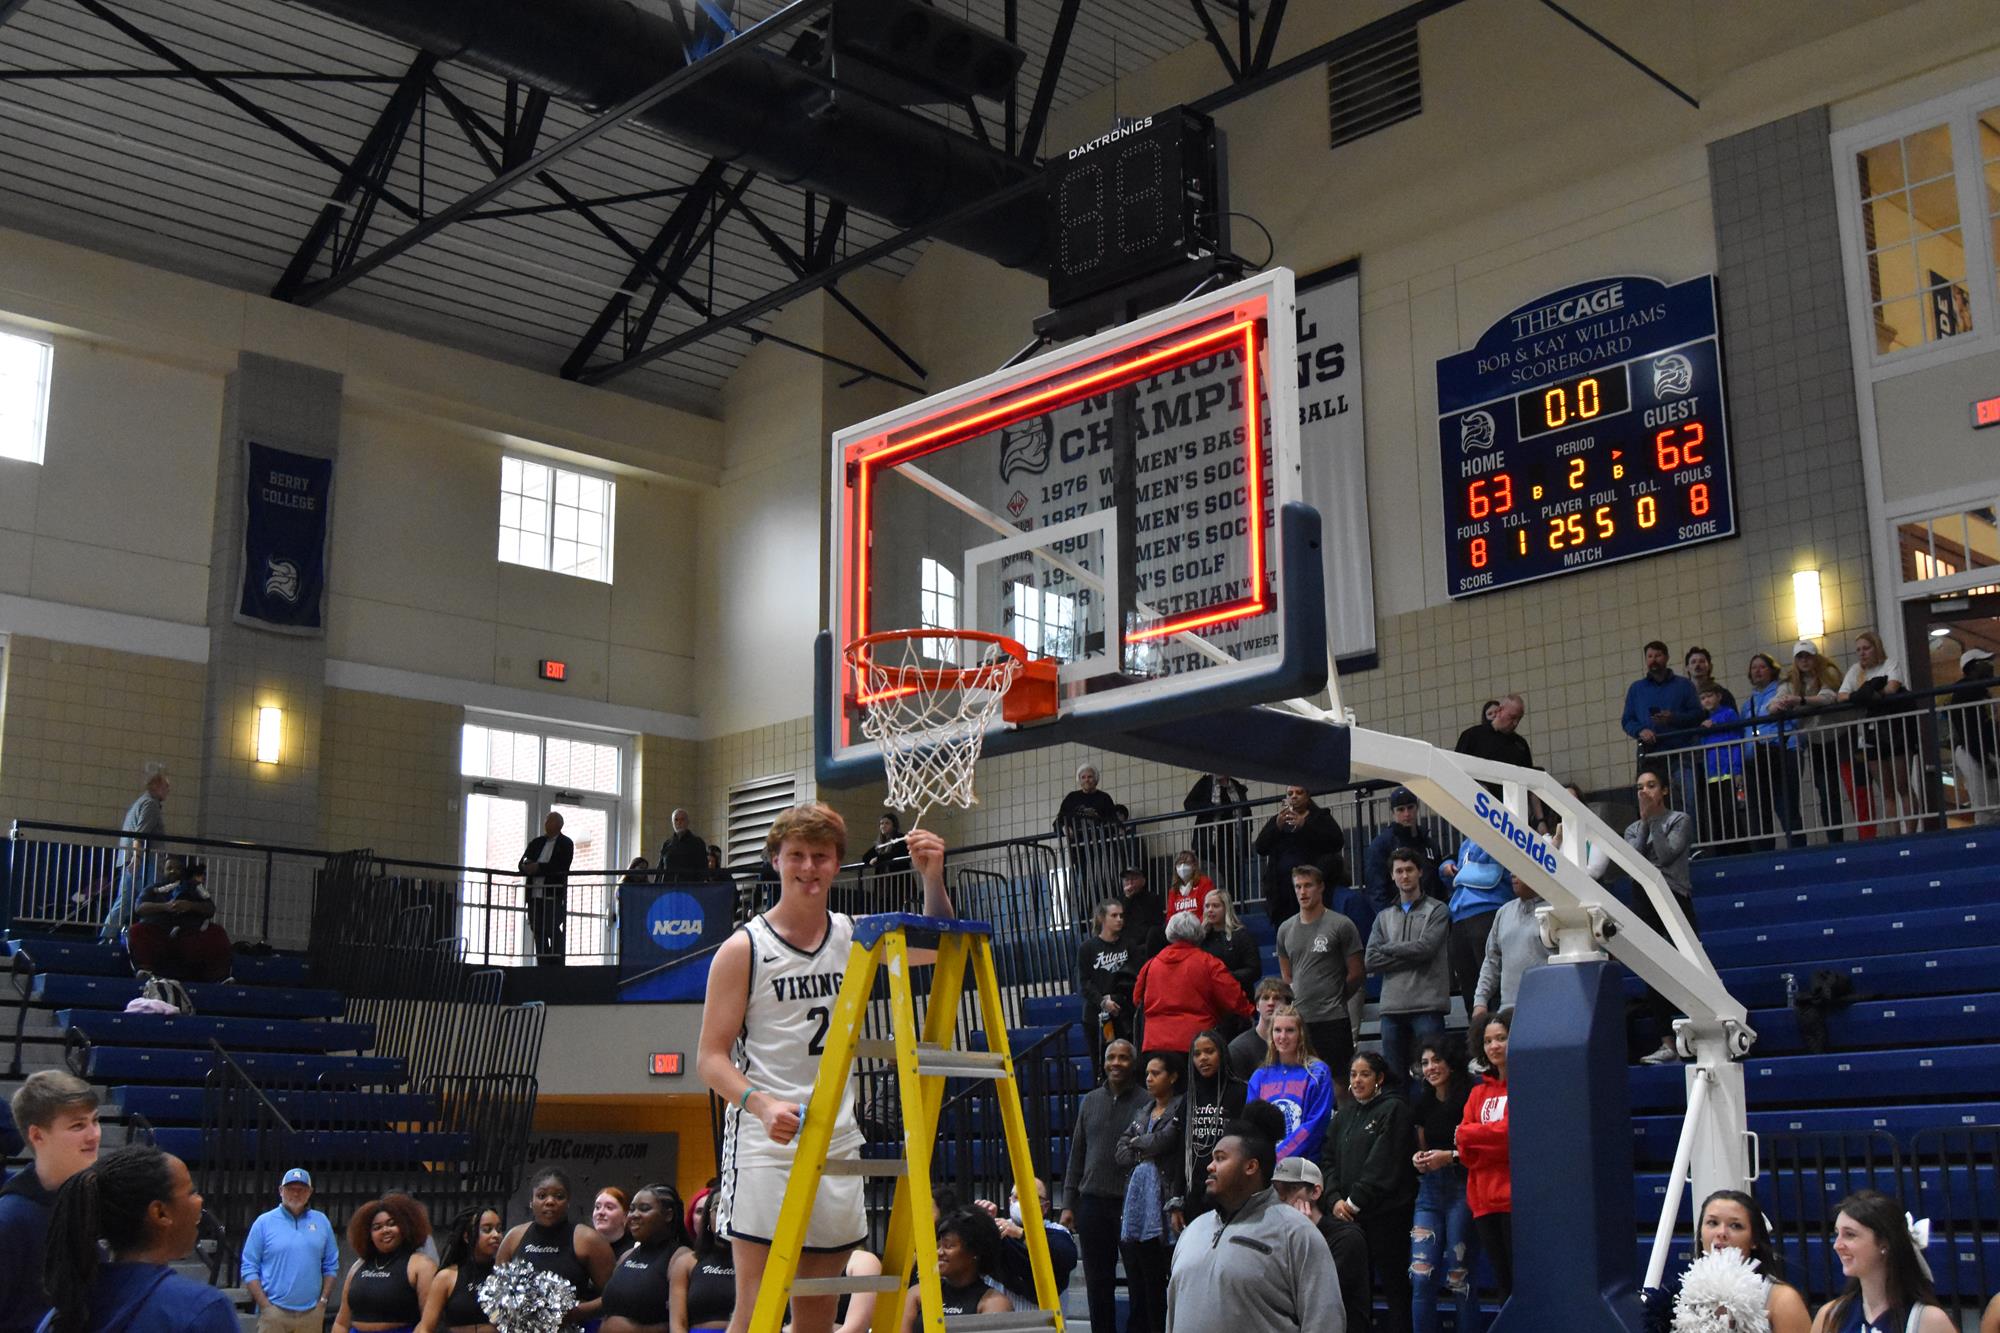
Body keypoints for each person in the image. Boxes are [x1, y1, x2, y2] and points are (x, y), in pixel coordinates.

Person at [697, 805, 952, 1333]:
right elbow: (710, 1058)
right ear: (775, 862)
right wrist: (761, 1105)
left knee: (817, 1310)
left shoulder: (854, 934)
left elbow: (939, 948)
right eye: (796, 856)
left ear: (837, 865)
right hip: (766, 1143)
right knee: (758, 1305)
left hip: (837, 1136)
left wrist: (932, 879)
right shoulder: (743, 948)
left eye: (820, 856)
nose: (808, 868)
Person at [1164, 1107, 1344, 1333]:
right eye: (1212, 1158)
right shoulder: (1192, 1231)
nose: (1210, 1166)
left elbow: (1325, 1321)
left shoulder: (1296, 1232)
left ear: (1251, 1166)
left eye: (1221, 1158)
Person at [38, 1146, 235, 1333]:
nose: (199, 1200)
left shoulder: (62, 1316)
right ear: (160, 1213)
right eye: (191, 1192)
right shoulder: (202, 1310)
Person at [1322, 1051, 1417, 1333]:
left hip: (1386, 1216)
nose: (1358, 1080)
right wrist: (1334, 1198)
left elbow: (1384, 1162)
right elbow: (1327, 1160)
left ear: (1380, 1078)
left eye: (1365, 1074)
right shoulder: (1344, 1114)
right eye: (1353, 1074)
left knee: (1395, 1287)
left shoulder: (1394, 1109)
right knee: (1353, 1291)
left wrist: (1354, 1202)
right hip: (1347, 1219)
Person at [0, 1072, 101, 1333]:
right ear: (37, 1136)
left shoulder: (94, 1204)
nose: (94, 1135)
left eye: (95, 1121)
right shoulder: (10, 1220)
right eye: (78, 1126)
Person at [1060, 1038, 1145, 1333]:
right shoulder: (1090, 1100)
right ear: (1104, 1061)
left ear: (1133, 1064)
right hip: (1092, 1203)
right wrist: (1069, 1203)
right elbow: (1077, 1155)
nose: (1117, 1063)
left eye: (1123, 1058)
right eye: (1112, 1057)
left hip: (1130, 1204)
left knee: (1139, 1280)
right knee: (1098, 1283)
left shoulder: (1146, 1102)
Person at [1646, 1190, 1809, 1333]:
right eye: (1712, 1223)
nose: (1721, 1232)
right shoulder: (1679, 1297)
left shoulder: (1782, 1299)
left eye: (1736, 1226)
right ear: (1701, 1233)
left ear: (1754, 1239)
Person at [1626, 763, 1698, 1065]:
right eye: (1641, 787)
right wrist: (1644, 823)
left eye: (1651, 785)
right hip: (1645, 897)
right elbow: (1633, 860)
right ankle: (1666, 1042)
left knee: (1691, 963)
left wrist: (1654, 819)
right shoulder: (1632, 828)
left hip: (1675, 895)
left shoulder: (1679, 819)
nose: (1645, 791)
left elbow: (1668, 854)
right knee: (1653, 968)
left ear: (1664, 790)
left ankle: (1700, 1030)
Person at [1409, 1038, 1480, 1333]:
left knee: (1458, 1275)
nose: (1430, 1068)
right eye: (1425, 1063)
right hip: (1430, 1190)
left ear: (1450, 1062)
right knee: (1421, 1275)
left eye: (1436, 1061)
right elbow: (1422, 1147)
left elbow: (1478, 1148)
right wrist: (1419, 1159)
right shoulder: (1423, 1100)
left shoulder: (1470, 1094)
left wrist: (1448, 1157)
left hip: (1463, 1185)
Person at [1809, 1189, 1953, 1333]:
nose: (1837, 1245)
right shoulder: (1830, 1316)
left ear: (1884, 1243)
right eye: (1837, 1233)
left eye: (1850, 1234)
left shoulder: (1929, 1320)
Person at [1367, 849, 1452, 1090]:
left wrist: (1390, 948)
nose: (1405, 876)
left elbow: (1426, 949)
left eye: (1409, 870)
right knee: (1393, 1082)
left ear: (1420, 872)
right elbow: (1371, 959)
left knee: (1433, 1081)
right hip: (1391, 1009)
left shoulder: (1437, 910)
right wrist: (1411, 954)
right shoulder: (1383, 917)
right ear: (1392, 876)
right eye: (1399, 871)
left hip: (1428, 1006)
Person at [1274, 865, 1363, 1084]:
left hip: (1333, 1018)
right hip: (1301, 1020)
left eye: (1308, 886)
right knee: (1301, 1080)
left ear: (1321, 887)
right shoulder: (1285, 929)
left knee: (1340, 1083)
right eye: (1298, 887)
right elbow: (1287, 976)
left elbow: (1357, 972)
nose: (1302, 892)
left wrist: (1337, 997)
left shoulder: (1341, 924)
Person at [1115, 1055, 1185, 1333]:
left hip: (1167, 1197)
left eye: (1156, 1073)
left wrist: (1138, 1143)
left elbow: (1168, 1139)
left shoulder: (1181, 1107)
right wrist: (1145, 1145)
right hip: (1139, 1205)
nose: (1149, 1078)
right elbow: (1120, 1153)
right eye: (1147, 1073)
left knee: (1167, 1278)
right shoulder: (1143, 1110)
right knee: (1145, 1283)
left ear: (1173, 1077)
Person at [496, 1170, 614, 1323]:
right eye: (541, 1195)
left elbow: (613, 1296)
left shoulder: (588, 1240)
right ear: (531, 1201)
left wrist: (577, 1312)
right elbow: (496, 1291)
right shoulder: (513, 1237)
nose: (550, 1201)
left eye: (559, 1196)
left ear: (568, 1202)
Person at [1270, 1154, 1370, 1333]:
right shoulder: (1274, 1235)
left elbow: (1318, 1299)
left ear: (1315, 1192)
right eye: (1277, 1191)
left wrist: (1304, 1237)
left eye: (1291, 1189)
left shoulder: (1347, 1238)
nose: (1282, 1199)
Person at [1133, 912, 1252, 1059]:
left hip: (1153, 1044)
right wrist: (1251, 1013)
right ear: (1198, 933)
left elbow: (1137, 999)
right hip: (1195, 1044)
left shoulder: (1150, 965)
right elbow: (1234, 998)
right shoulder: (1209, 963)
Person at [1456, 1011, 1513, 1301]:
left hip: (1514, 1199)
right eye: (1489, 1040)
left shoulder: (1524, 1085)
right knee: (1502, 1283)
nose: (1494, 1046)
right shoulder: (1478, 1092)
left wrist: (1474, 1135)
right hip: (1482, 1200)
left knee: (1520, 1283)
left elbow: (1510, 1138)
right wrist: (1479, 1139)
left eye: (1501, 1038)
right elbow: (1463, 1148)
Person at [242, 1167, 341, 1333]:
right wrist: (265, 1305)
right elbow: (249, 1266)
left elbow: (331, 1264)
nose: (296, 1194)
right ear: (281, 1191)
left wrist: (323, 1301)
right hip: (274, 1312)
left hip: (311, 1313)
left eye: (301, 1189)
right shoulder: (264, 1222)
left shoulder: (322, 1221)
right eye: (290, 1189)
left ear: (310, 1192)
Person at [1839, 630, 1916, 836]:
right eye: (1858, 650)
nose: (1862, 653)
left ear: (1876, 648)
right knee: (1887, 790)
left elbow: (1892, 687)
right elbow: (1842, 695)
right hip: (1871, 734)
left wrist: (1870, 693)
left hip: (1895, 729)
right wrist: (1862, 695)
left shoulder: (1890, 664)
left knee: (1902, 785)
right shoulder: (1856, 671)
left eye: (1866, 648)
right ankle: (1893, 835)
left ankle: (1910, 831)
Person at [333, 1193, 437, 1333]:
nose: (385, 1231)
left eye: (391, 1224)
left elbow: (428, 1323)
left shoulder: (421, 1265)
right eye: (377, 1227)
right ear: (368, 1234)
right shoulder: (358, 1266)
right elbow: (341, 1322)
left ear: (405, 1226)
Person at [1775, 640, 1847, 840]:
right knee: (1825, 789)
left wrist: (1799, 702)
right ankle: (1834, 838)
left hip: (1838, 735)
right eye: (1800, 657)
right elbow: (1776, 703)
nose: (1804, 660)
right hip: (1815, 740)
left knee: (1838, 788)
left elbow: (1828, 697)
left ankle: (1838, 838)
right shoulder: (1791, 681)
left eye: (1807, 656)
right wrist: (1784, 704)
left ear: (1815, 657)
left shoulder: (1828, 672)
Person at [1248, 1006, 1337, 1162]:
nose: (1283, 1036)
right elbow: (1252, 1124)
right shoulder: (1259, 1077)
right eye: (1277, 1030)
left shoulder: (1318, 1073)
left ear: (1300, 1034)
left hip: (1305, 1164)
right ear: (1271, 1034)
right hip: (1268, 1165)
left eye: (1289, 1030)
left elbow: (1316, 1123)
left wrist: (1279, 1156)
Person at [124, 857, 231, 984]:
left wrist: (190, 905)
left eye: (177, 869)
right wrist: (166, 907)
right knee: (136, 931)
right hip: (159, 935)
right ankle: (145, 971)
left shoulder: (196, 888)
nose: (173, 871)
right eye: (169, 868)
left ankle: (220, 978)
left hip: (189, 936)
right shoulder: (152, 888)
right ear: (163, 871)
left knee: (217, 933)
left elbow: (210, 908)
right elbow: (139, 907)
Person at [976, 1178, 1077, 1311]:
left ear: (1045, 1207)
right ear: (1009, 1201)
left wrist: (1021, 1234)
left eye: (1028, 1197)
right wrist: (982, 1222)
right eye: (1016, 1197)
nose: (1020, 1203)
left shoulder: (1057, 1232)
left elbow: (1063, 1257)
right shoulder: (998, 1228)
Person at [1470, 874, 1553, 1034]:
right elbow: (1491, 961)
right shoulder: (1504, 912)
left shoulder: (1557, 910)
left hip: (1546, 1011)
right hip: (1507, 1015)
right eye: (1511, 870)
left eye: (1519, 869)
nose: (1513, 874)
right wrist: (1480, 1001)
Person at [598, 1185, 687, 1333]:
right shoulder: (626, 1256)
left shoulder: (680, 1257)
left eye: (644, 1209)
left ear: (668, 1215)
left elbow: (684, 1323)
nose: (634, 1215)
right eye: (632, 1209)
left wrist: (637, 1330)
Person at [1255, 786, 1347, 927]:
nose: (1294, 796)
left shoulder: (1320, 817)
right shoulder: (1279, 820)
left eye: (1299, 792)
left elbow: (1336, 841)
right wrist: (1276, 827)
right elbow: (1260, 847)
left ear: (1307, 796)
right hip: (1282, 891)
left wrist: (1304, 825)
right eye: (1290, 793)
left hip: (1312, 885)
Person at [900, 1208, 1010, 1327]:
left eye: (949, 1246)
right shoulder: (917, 1294)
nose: (939, 1252)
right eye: (939, 1246)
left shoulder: (994, 1303)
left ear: (975, 1252)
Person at [1439, 837, 1510, 1022]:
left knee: (1493, 988)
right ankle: (1479, 1045)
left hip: (1489, 911)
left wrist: (1461, 875)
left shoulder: (1503, 832)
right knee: (1470, 994)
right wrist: (1447, 868)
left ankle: (1499, 1041)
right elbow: (1459, 881)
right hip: (1459, 918)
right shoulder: (1466, 843)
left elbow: (1503, 873)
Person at [1182, 1030, 1247, 1222]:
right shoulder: (1189, 1098)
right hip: (1194, 1188)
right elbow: (1180, 1149)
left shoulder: (1241, 1092)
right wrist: (1177, 1198)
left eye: (1209, 1051)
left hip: (1229, 1187)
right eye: (1197, 1054)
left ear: (1222, 1053)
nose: (1203, 1058)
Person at [1741, 652, 1803, 850]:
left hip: (1782, 753)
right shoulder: (1748, 703)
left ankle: (1797, 848)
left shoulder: (1782, 691)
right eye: (1754, 668)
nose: (1757, 671)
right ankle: (1765, 852)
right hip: (1756, 760)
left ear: (1772, 670)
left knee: (1786, 805)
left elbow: (1794, 720)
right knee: (1760, 809)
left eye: (1762, 667)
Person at [100, 771, 168, 942]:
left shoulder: (139, 803)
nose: (168, 790)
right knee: (144, 902)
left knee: (125, 902)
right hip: (142, 863)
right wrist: (137, 858)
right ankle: (147, 939)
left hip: (133, 860)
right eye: (166, 786)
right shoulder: (150, 805)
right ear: (156, 786)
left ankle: (106, 937)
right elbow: (140, 834)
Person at [415, 1205, 502, 1333]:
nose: (496, 1235)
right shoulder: (447, 1277)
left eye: (499, 1229)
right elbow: (426, 1327)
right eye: (487, 1229)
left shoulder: (505, 1274)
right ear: (467, 1237)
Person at [1365, 788, 1446, 910]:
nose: (1407, 814)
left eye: (1410, 807)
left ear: (1417, 808)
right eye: (1401, 809)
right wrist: (1388, 920)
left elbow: (1438, 884)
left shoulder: (1429, 843)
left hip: (1431, 913)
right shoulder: (1381, 845)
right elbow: (1376, 890)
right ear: (1393, 812)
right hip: (1399, 915)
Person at [669, 1187, 734, 1332]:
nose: (724, 1213)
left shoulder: (756, 1263)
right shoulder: (686, 1263)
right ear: (708, 1216)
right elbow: (678, 1324)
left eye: (731, 1206)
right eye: (718, 1208)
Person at [1078, 900, 1139, 1053]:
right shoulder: (1087, 948)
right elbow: (1083, 983)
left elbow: (1136, 977)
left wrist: (1116, 999)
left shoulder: (1129, 945)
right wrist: (1102, 1001)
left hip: (1123, 1012)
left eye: (1121, 916)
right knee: (1101, 1061)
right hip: (1096, 1014)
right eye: (1114, 915)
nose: (1119, 919)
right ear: (1101, 918)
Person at [1623, 640, 1705, 752]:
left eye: (1658, 655)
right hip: (1649, 752)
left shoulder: (1684, 685)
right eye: (1650, 656)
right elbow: (1627, 720)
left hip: (1681, 751)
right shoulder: (1636, 689)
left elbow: (1698, 715)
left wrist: (1673, 718)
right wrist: (1640, 731)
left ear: (1667, 658)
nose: (1653, 660)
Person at [1695, 683, 1748, 849]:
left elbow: (1736, 741)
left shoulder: (1729, 714)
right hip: (1712, 773)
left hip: (1728, 770)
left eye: (1710, 696)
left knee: (1730, 811)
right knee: (1716, 813)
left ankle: (1739, 847)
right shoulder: (1703, 722)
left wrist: (1737, 769)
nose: (1707, 700)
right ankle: (1723, 849)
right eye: (1703, 698)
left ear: (1719, 696)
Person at [518, 811, 575, 966]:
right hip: (534, 894)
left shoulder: (566, 843)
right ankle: (542, 962)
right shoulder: (536, 842)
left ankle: (556, 961)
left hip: (552, 893)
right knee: (537, 929)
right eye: (546, 820)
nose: (545, 823)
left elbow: (561, 866)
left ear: (558, 825)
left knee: (551, 927)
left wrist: (539, 868)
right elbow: (521, 862)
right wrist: (526, 867)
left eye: (549, 820)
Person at [1951, 648, 1998, 824]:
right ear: (1972, 668)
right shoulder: (1965, 692)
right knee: (1985, 804)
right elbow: (1968, 729)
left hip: (1983, 751)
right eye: (1985, 662)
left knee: (1992, 803)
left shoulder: (1981, 692)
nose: (1990, 666)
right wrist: (1984, 760)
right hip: (1972, 752)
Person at [1184, 773, 1250, 892]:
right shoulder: (1206, 783)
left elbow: (1246, 812)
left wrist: (1246, 836)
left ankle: (1237, 905)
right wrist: (1211, 808)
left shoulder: (1235, 786)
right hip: (1212, 839)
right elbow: (1189, 804)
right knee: (1229, 872)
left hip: (1233, 838)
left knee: (1235, 873)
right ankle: (1233, 904)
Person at [1198, 890, 1260, 1002]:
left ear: (1226, 908)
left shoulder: (1242, 935)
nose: (1210, 910)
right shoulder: (1201, 938)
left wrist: (1225, 976)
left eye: (1215, 906)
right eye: (1207, 906)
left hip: (1239, 999)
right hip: (1211, 1001)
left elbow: (1254, 970)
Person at [1229, 978, 1293, 1081]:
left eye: (1277, 998)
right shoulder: (1239, 1050)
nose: (1271, 1003)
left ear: (1288, 1005)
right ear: (1257, 1006)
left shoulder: (1297, 1043)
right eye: (1265, 998)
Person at [1554, 782, 1614, 880]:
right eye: (1563, 800)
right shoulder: (1551, 838)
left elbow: (1595, 872)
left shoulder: (1595, 835)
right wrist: (1557, 840)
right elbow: (1541, 866)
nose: (1568, 804)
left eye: (1572, 800)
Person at [1116, 866, 1167, 960]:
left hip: (1147, 944)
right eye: (1127, 879)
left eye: (1134, 879)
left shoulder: (1152, 898)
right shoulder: (1118, 901)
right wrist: (1127, 898)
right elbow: (1118, 920)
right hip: (1125, 945)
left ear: (1143, 881)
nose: (1130, 882)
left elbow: (1157, 923)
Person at [1164, 849, 1216, 920]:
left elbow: (1207, 911)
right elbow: (1170, 916)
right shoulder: (1174, 890)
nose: (1182, 867)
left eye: (1187, 863)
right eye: (1179, 864)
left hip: (1200, 928)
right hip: (1179, 929)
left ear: (1194, 866)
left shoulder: (1205, 883)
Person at [1684, 646, 1737, 714]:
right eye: (1693, 662)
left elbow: (1733, 719)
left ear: (1710, 666)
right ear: (1687, 668)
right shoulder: (1683, 696)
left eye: (1702, 661)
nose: (1697, 665)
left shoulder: (1722, 693)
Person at [659, 809, 708, 881]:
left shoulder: (697, 843)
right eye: (676, 820)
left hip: (690, 887)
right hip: (669, 887)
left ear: (688, 822)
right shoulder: (667, 844)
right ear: (672, 823)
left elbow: (703, 867)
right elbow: (660, 868)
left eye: (682, 819)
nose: (679, 822)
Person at [859, 813, 910, 881]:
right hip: (883, 881)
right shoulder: (880, 843)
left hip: (900, 880)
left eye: (887, 823)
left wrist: (878, 859)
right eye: (881, 823)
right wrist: (874, 860)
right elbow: (865, 857)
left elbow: (895, 854)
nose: (883, 826)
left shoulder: (900, 838)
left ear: (894, 826)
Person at [594, 1186, 635, 1258]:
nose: (600, 1212)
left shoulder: (636, 1251)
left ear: (626, 1216)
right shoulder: (585, 1248)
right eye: (597, 1207)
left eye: (609, 1207)